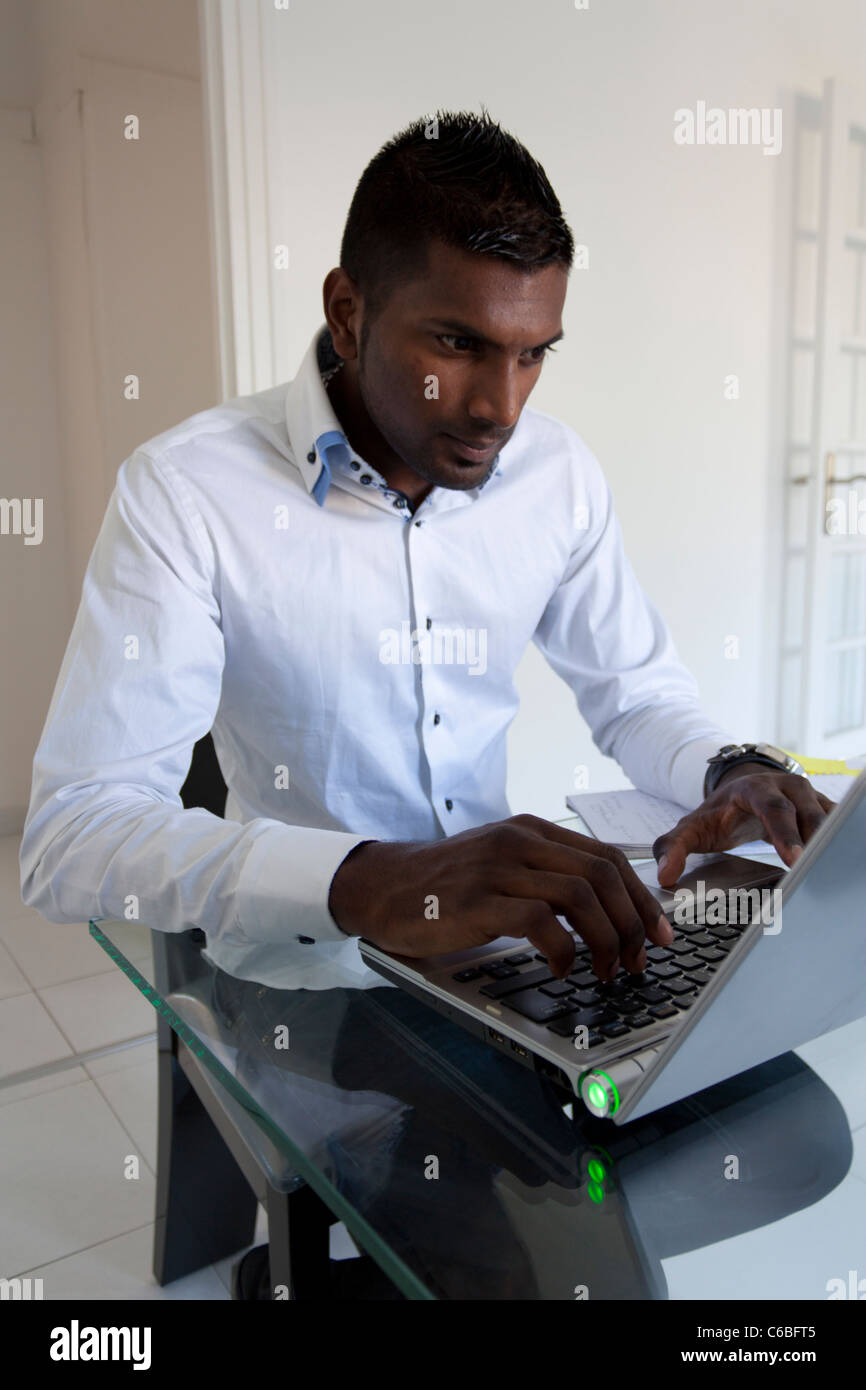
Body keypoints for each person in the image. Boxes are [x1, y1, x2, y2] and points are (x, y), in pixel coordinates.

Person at [19, 109, 833, 1295]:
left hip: (505, 957)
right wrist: (368, 880)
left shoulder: (552, 477)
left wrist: (725, 768)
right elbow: (71, 834)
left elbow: (635, 691)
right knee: (573, 1274)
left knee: (796, 1151)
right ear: (347, 311)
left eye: (534, 351)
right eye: (456, 343)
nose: (499, 404)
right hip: (302, 984)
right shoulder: (187, 496)